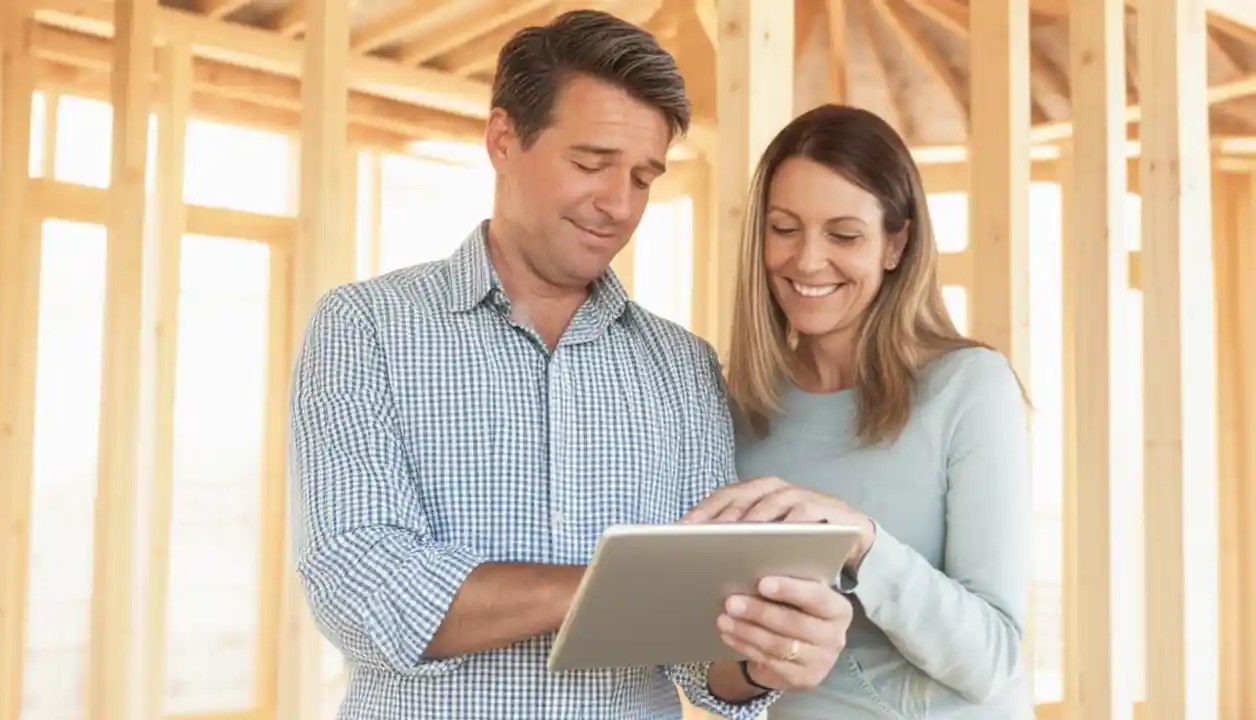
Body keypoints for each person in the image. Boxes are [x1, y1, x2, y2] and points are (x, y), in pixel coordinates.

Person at [287, 10, 853, 720]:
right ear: (503, 140)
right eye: (590, 164)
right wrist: (617, 587)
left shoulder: (684, 368)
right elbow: (362, 586)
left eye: (644, 177)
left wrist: (761, 651)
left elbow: (702, 662)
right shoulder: (365, 328)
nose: (618, 204)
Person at [682, 104, 1034, 719]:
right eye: (784, 228)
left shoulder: (970, 389)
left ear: (896, 244)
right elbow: (711, 662)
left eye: (844, 235)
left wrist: (859, 541)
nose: (808, 261)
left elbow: (992, 658)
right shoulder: (735, 409)